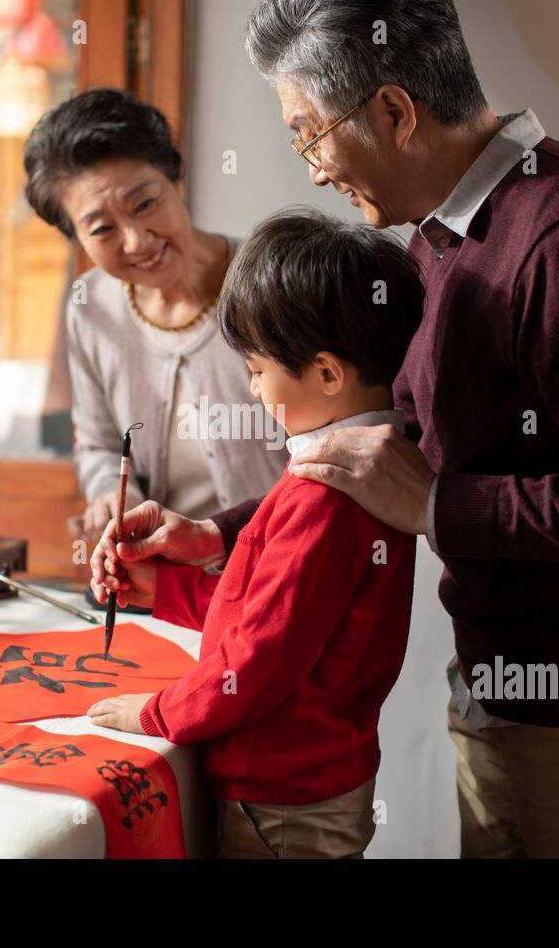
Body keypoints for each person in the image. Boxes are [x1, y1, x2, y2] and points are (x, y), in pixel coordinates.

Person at [93, 0, 559, 858]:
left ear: (395, 110)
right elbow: (379, 446)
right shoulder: (437, 235)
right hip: (506, 686)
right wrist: (214, 534)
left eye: (309, 133)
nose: (313, 168)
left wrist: (439, 507)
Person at [86, 209, 423, 859]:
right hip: (308, 783)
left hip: (283, 800)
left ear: (326, 374)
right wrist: (162, 589)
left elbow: (256, 661)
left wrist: (154, 715)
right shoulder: (368, 471)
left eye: (258, 370)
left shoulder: (324, 496)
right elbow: (269, 612)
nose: (252, 387)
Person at [23, 88, 286, 546]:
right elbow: (99, 443)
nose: (137, 241)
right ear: (77, 239)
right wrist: (109, 493)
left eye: (145, 204)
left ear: (177, 182)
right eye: (102, 229)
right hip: (167, 583)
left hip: (282, 567)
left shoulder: (275, 284)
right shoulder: (91, 308)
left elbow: (328, 448)